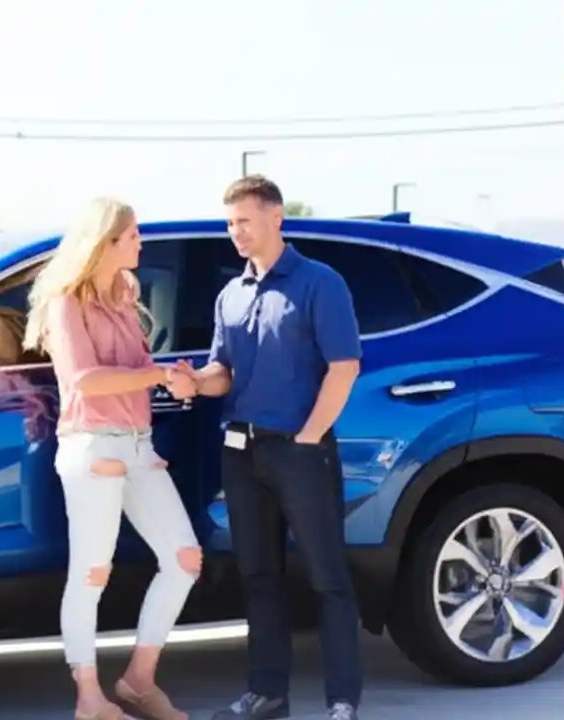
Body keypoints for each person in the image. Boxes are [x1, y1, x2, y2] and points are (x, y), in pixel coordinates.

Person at [173, 175, 364, 720]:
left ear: (276, 218)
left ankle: (342, 702)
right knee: (258, 577)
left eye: (245, 222)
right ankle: (267, 694)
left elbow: (344, 367)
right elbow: (223, 373)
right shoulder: (230, 294)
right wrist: (194, 382)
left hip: (300, 453)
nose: (236, 233)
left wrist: (308, 436)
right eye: (230, 223)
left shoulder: (319, 283)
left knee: (328, 578)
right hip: (241, 454)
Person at [23, 197, 204, 720]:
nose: (141, 243)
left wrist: (173, 377)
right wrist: (155, 375)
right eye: (133, 235)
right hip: (92, 444)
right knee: (91, 573)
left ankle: (138, 681)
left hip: (138, 444)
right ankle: (89, 698)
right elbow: (85, 380)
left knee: (184, 559)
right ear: (105, 242)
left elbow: (137, 366)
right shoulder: (66, 303)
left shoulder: (126, 293)